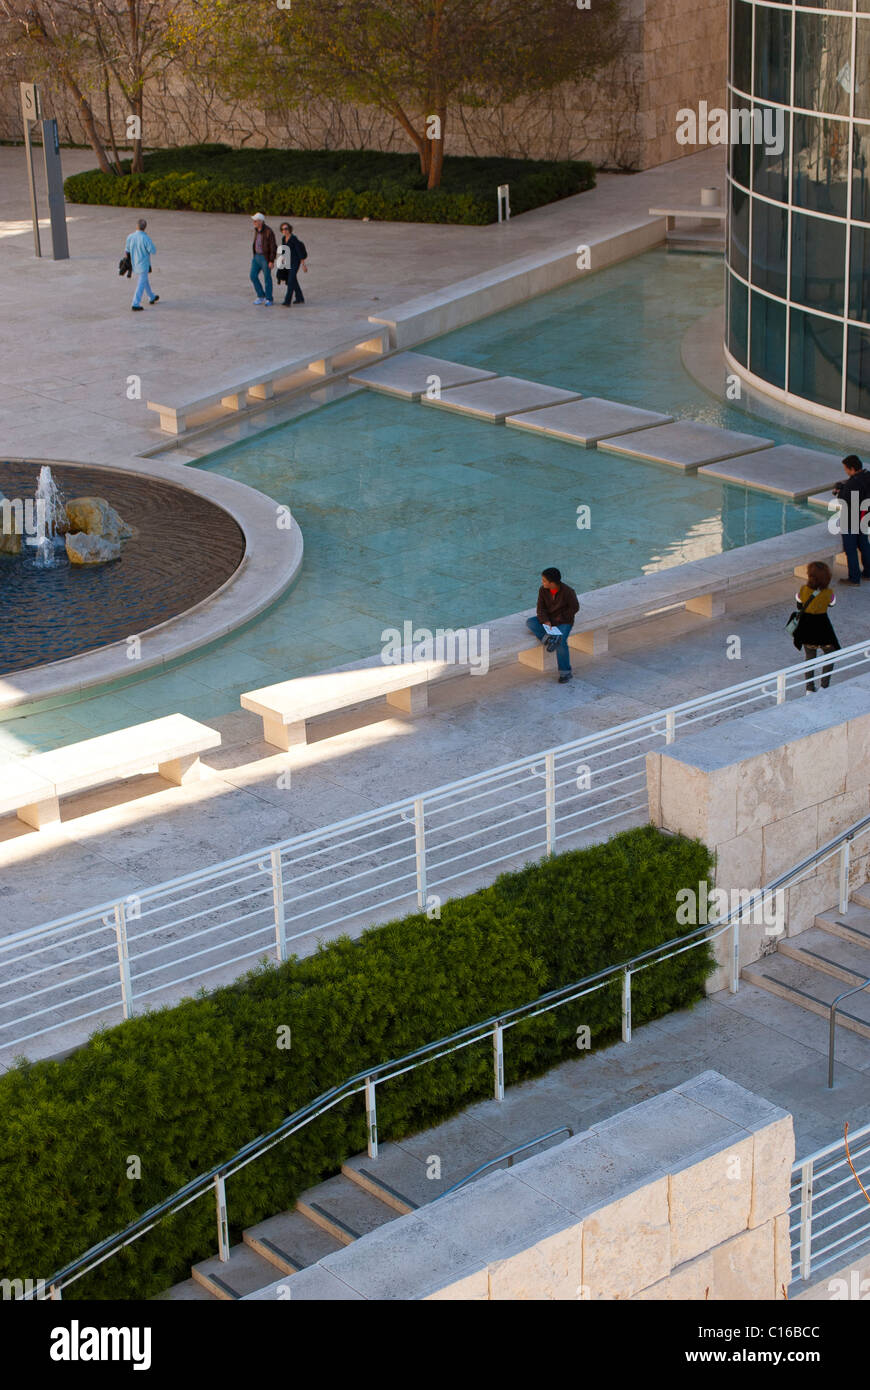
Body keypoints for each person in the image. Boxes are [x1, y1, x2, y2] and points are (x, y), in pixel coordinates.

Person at [792, 560, 840, 692]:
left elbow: (798, 602)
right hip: (823, 627)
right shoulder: (828, 593)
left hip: (807, 627)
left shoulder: (803, 590)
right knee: (830, 654)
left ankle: (809, 688)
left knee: (810, 658)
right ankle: (824, 686)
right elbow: (832, 604)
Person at [526, 567, 580, 684]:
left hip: (564, 621)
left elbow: (574, 608)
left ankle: (565, 673)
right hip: (548, 620)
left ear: (552, 583)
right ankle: (550, 639)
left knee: (561, 641)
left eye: (544, 580)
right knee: (530, 622)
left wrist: (558, 619)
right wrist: (545, 620)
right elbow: (540, 609)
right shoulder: (542, 590)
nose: (542, 582)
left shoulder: (568, 592)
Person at [831, 454, 870, 584]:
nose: (845, 471)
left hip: (851, 519)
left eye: (846, 469)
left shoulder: (852, 484)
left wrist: (840, 490)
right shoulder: (867, 476)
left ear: (852, 468)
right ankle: (868, 573)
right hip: (864, 516)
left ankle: (854, 578)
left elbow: (843, 500)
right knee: (864, 545)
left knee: (851, 549)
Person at [125, 218, 158, 312]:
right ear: (145, 228)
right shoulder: (146, 238)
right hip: (143, 264)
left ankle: (151, 297)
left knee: (144, 280)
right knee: (141, 283)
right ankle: (135, 303)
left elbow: (126, 251)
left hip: (134, 263)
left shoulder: (130, 236)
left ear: (137, 226)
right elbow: (153, 250)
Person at [276, 222, 308, 306]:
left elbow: (299, 252)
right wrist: (282, 259)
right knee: (293, 280)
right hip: (287, 262)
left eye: (286, 229)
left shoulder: (294, 239)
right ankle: (300, 298)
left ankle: (287, 301)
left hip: (295, 262)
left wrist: (303, 265)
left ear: (289, 229)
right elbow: (284, 249)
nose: (284, 231)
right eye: (283, 229)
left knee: (290, 281)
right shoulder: (284, 239)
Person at [250, 213, 277, 306]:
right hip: (256, 257)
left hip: (265, 258)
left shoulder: (269, 232)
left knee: (267, 278)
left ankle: (269, 298)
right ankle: (261, 296)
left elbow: (273, 247)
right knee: (252, 276)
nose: (254, 222)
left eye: (255, 221)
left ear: (261, 221)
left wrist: (271, 260)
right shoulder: (256, 230)